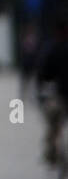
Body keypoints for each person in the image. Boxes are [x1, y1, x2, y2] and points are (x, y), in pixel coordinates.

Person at [35, 14, 68, 167]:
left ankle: (52, 151)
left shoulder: (52, 49)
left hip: (60, 97)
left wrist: (40, 94)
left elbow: (43, 75)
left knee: (52, 124)